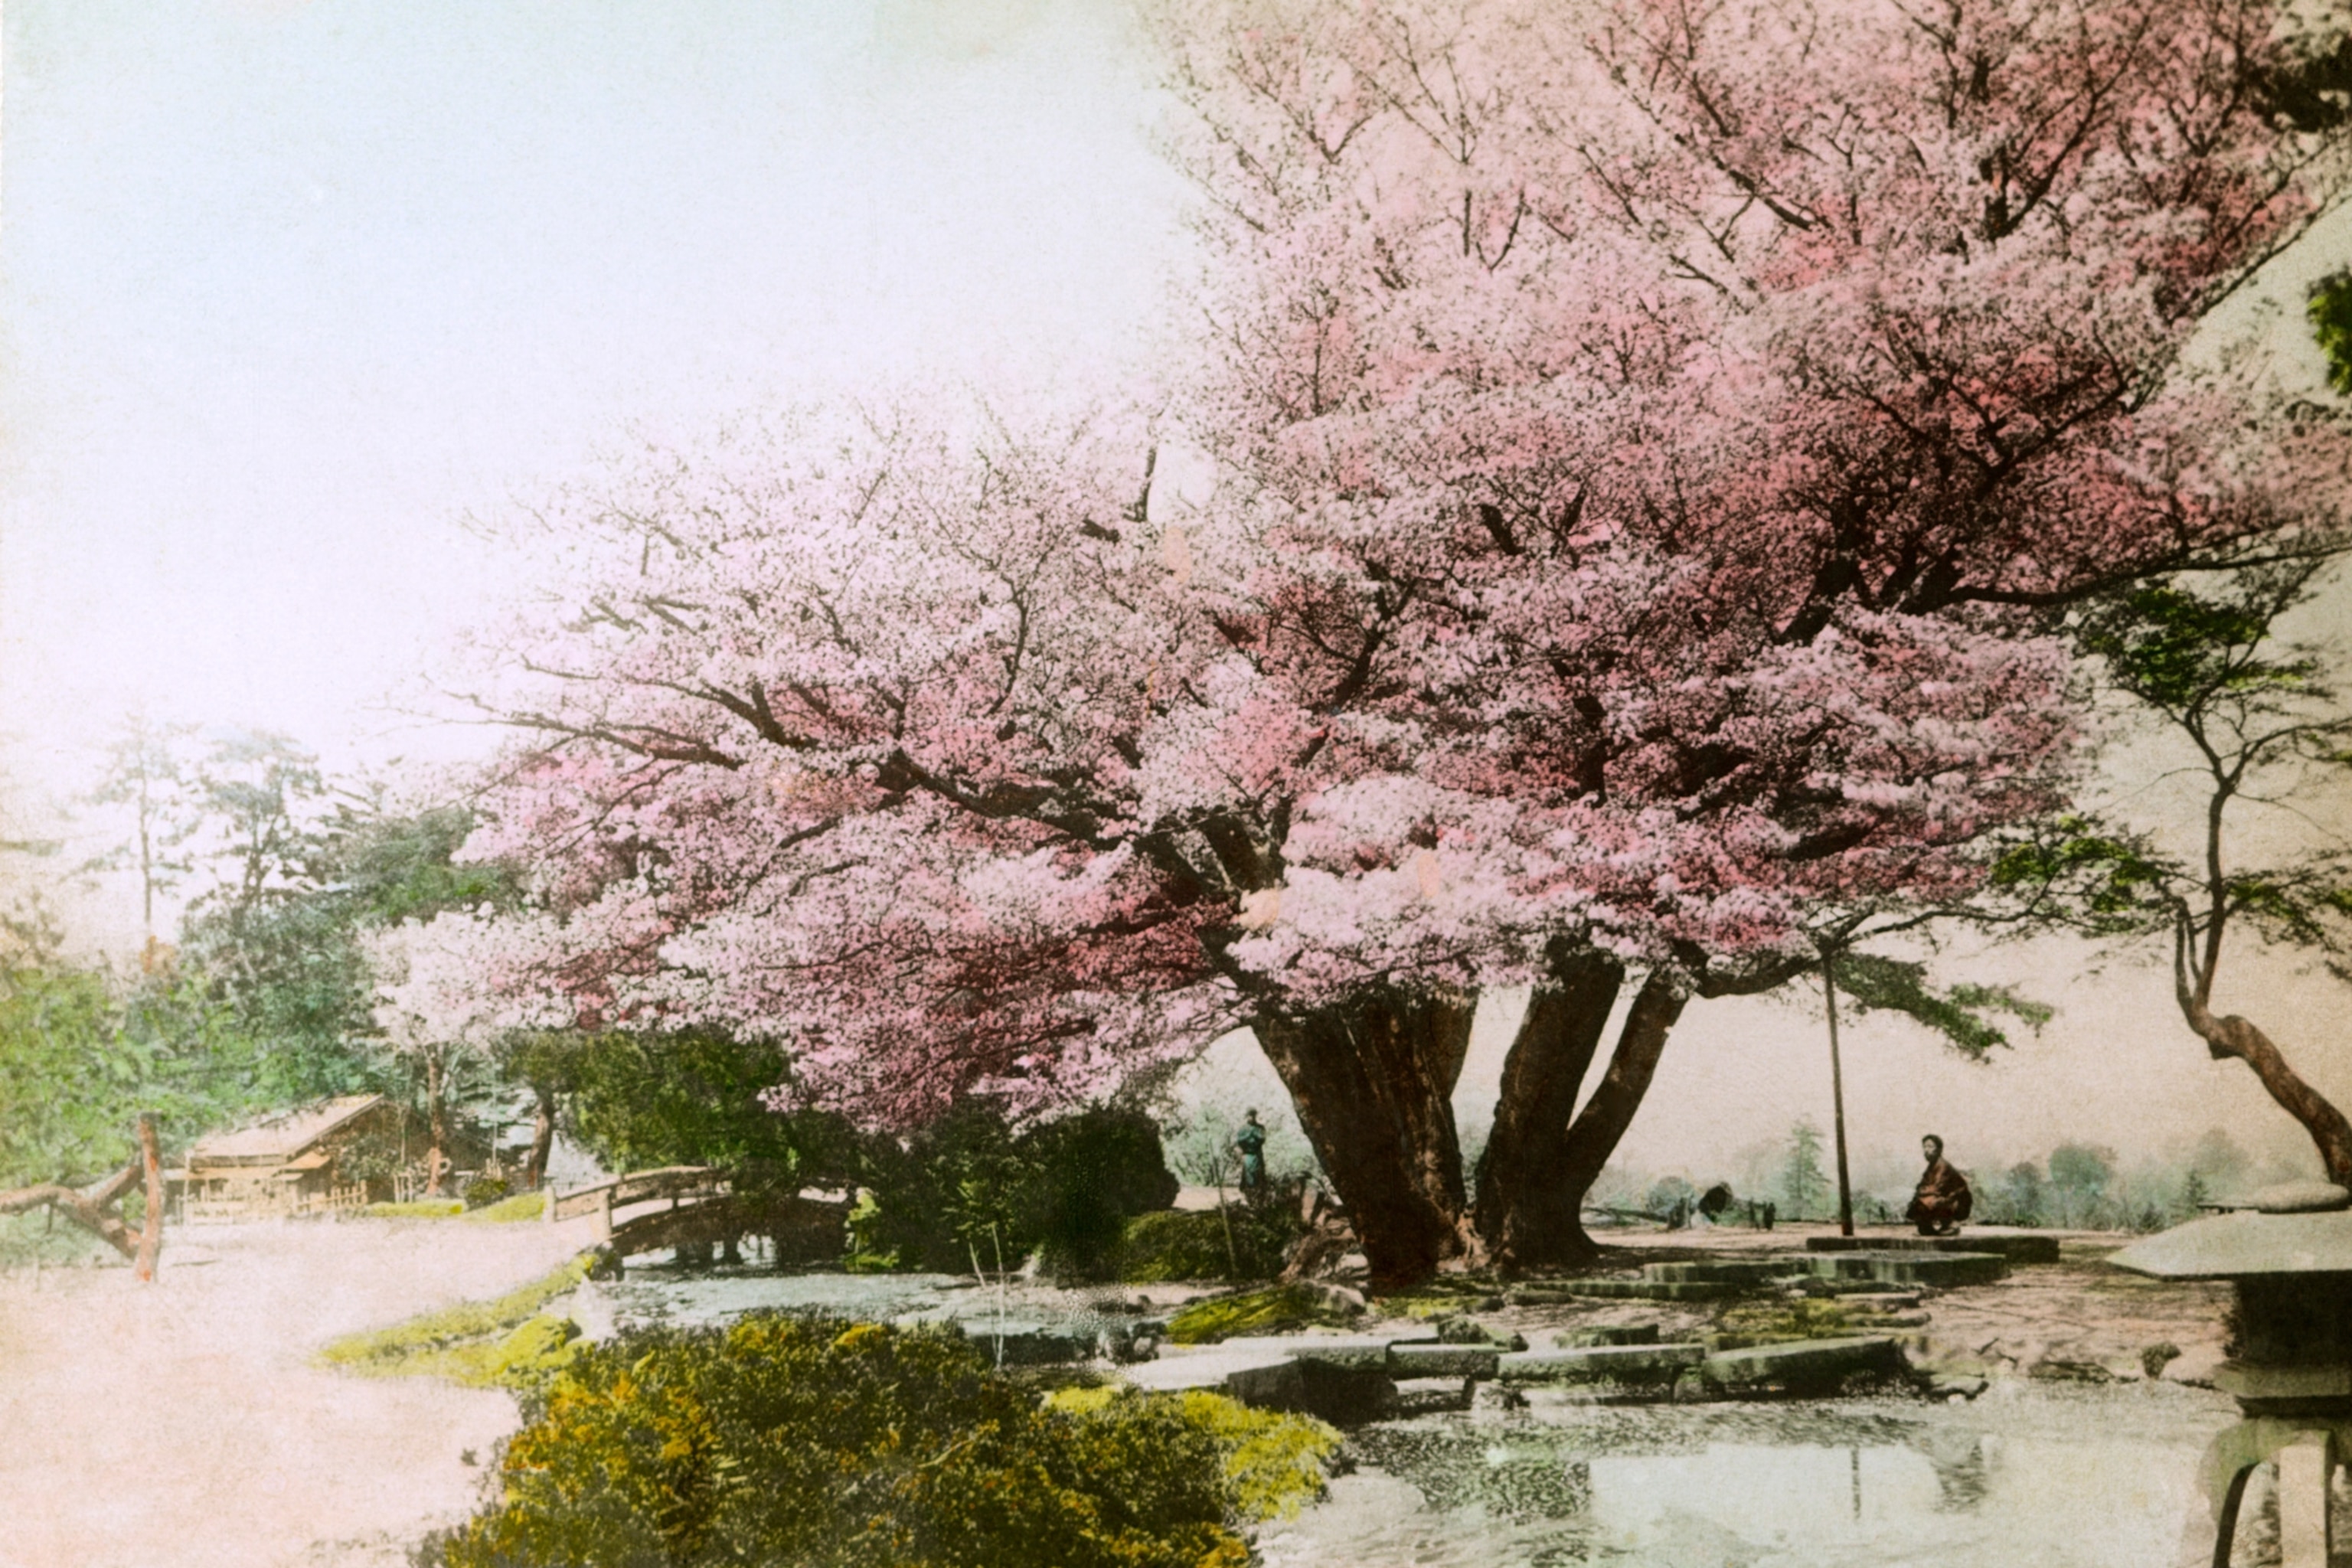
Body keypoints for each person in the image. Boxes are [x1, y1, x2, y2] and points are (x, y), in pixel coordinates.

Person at [1906, 1135, 1973, 1236]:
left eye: (1930, 1147)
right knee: (1919, 1205)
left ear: (1939, 1149)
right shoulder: (1932, 1166)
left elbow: (1935, 1189)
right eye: (1925, 1147)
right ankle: (1927, 1227)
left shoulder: (1943, 1166)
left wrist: (1921, 1194)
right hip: (1945, 1199)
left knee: (1927, 1202)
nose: (1926, 1150)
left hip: (1958, 1203)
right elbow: (1922, 1186)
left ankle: (1951, 1224)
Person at [1233, 1109, 1268, 1198]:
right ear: (1247, 1117)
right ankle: (1248, 1193)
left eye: (1253, 1116)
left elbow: (1263, 1138)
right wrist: (1248, 1136)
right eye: (1249, 1116)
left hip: (1257, 1154)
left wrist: (1255, 1135)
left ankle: (1259, 1194)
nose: (1251, 1118)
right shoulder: (1243, 1129)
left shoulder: (1260, 1128)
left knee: (1259, 1174)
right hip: (1248, 1154)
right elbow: (1239, 1140)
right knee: (1248, 1175)